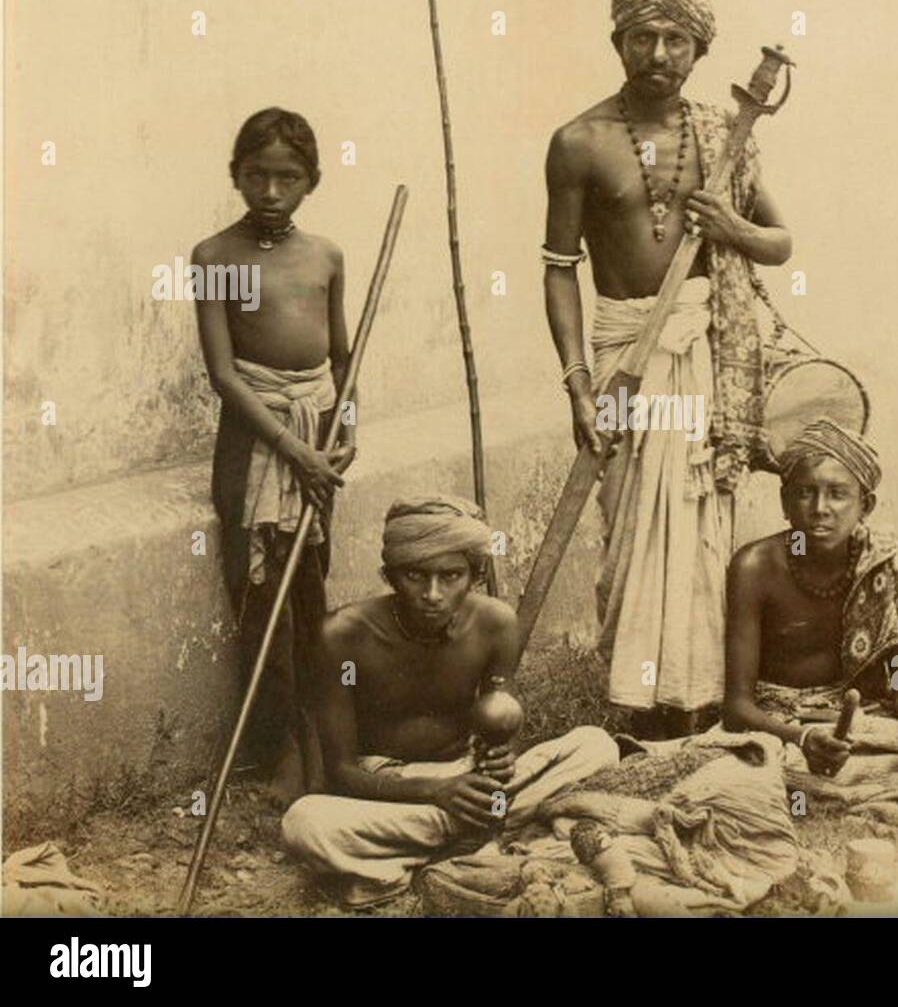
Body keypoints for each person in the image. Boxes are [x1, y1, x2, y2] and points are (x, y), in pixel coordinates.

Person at [542, 0, 792, 738]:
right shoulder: (578, 142)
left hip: (705, 351)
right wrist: (580, 386)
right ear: (618, 40)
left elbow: (779, 242)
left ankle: (700, 703)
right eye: (643, 35)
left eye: (675, 38)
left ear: (699, 48)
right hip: (624, 356)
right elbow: (557, 270)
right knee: (629, 530)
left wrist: (733, 232)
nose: (658, 52)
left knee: (699, 515)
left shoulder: (724, 140)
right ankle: (631, 710)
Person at [280, 497, 618, 909]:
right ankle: (483, 843)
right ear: (388, 575)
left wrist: (501, 759)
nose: (433, 594)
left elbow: (503, 724)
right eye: (415, 576)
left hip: (468, 782)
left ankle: (408, 860)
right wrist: (435, 791)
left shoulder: (495, 624)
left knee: (596, 744)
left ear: (475, 575)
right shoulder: (343, 635)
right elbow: (341, 772)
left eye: (451, 575)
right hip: (389, 791)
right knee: (305, 824)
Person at [195, 107, 356, 805]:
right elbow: (225, 375)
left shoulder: (325, 256)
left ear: (311, 182)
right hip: (258, 442)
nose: (270, 191)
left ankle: (326, 745)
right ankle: (278, 750)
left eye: (287, 177)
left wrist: (346, 426)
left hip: (318, 438)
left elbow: (344, 357)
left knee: (310, 590)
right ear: (235, 176)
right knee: (262, 596)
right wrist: (292, 449)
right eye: (256, 175)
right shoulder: (215, 258)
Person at [722, 420, 898, 778]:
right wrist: (803, 737)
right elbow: (736, 709)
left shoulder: (886, 565)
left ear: (865, 505)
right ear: (785, 501)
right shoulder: (755, 567)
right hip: (782, 725)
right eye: (805, 493)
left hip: (863, 717)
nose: (820, 508)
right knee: (753, 762)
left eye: (838, 494)